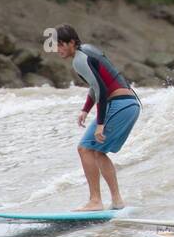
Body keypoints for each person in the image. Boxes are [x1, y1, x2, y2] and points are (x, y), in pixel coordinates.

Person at [55, 25, 141, 212]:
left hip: (120, 104)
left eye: (61, 44)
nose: (58, 49)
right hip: (128, 105)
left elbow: (101, 90)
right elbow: (97, 85)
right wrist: (86, 109)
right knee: (97, 152)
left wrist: (100, 123)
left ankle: (95, 201)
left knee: (85, 148)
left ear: (71, 42)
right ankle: (117, 201)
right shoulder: (87, 50)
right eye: (56, 45)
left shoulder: (79, 60)